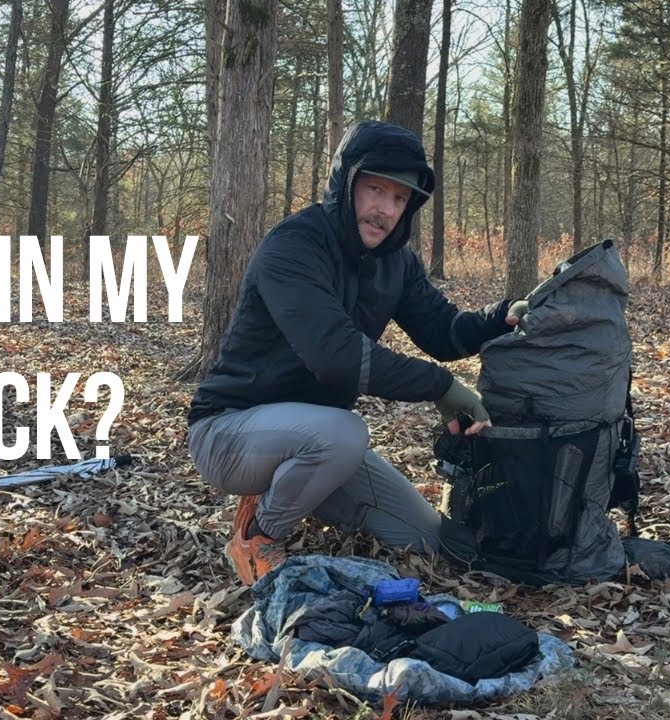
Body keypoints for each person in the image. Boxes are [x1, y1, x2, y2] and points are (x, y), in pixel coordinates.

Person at [187, 120, 521, 585]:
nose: (386, 210)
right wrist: (441, 387)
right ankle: (258, 538)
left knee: (427, 538)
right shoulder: (293, 247)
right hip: (229, 431)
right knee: (345, 433)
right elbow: (337, 357)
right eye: (375, 189)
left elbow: (443, 331)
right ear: (346, 183)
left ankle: (288, 489)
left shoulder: (396, 262)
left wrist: (503, 316)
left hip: (314, 439)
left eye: (400, 198)